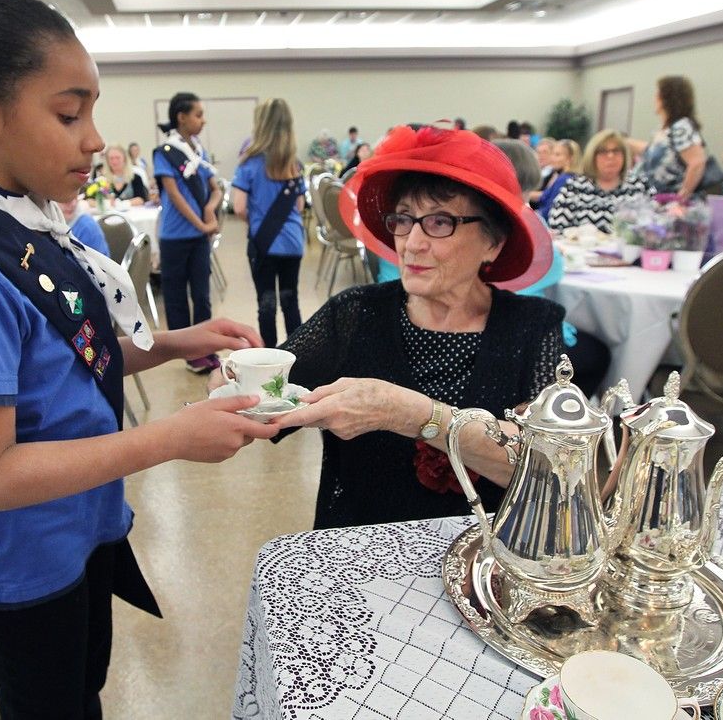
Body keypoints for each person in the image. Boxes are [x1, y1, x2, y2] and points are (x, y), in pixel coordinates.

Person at [0, 0, 277, 718]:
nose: (94, 140)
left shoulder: (28, 224)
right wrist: (169, 437)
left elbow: (80, 354)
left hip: (76, 517)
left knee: (82, 688)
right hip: (19, 550)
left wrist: (171, 345)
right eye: (68, 114)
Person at [269, 125, 565, 529]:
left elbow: (550, 473)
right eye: (404, 220)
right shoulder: (355, 314)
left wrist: (410, 413)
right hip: (360, 551)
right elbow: (270, 399)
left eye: (440, 222)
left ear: (493, 242)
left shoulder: (532, 327)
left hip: (485, 554)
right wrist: (233, 382)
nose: (411, 243)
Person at [493, 139, 610, 398]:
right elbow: (552, 270)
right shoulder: (526, 220)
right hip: (521, 329)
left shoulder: (482, 216)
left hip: (487, 323)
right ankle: (561, 413)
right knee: (599, 354)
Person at [154, 92, 223, 374]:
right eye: (198, 114)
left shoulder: (199, 151)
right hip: (175, 236)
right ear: (181, 117)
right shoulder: (164, 153)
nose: (203, 120)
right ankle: (186, 351)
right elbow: (174, 195)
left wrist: (210, 210)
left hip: (198, 237)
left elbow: (215, 188)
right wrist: (202, 225)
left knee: (202, 294)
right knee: (176, 295)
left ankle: (204, 346)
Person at [231, 98, 307, 348]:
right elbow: (299, 206)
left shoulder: (249, 164)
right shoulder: (294, 165)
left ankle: (270, 357)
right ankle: (297, 353)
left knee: (266, 304)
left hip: (264, 244)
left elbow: (239, 207)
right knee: (290, 300)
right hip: (293, 243)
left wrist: (256, 219)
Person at [548, 129, 652, 234]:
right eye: (603, 152)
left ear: (624, 156)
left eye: (616, 151)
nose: (610, 156)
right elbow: (556, 227)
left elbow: (656, 224)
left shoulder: (640, 185)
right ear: (592, 156)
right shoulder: (575, 186)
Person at [630, 76, 708, 199]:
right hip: (653, 198)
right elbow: (653, 152)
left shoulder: (681, 128)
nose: (654, 99)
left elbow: (697, 162)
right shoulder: (665, 130)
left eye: (658, 95)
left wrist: (681, 197)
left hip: (669, 201)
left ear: (666, 100)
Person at [533, 139, 581, 220]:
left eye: (557, 155)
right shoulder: (563, 176)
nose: (552, 158)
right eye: (553, 154)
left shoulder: (564, 179)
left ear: (570, 159)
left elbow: (549, 210)